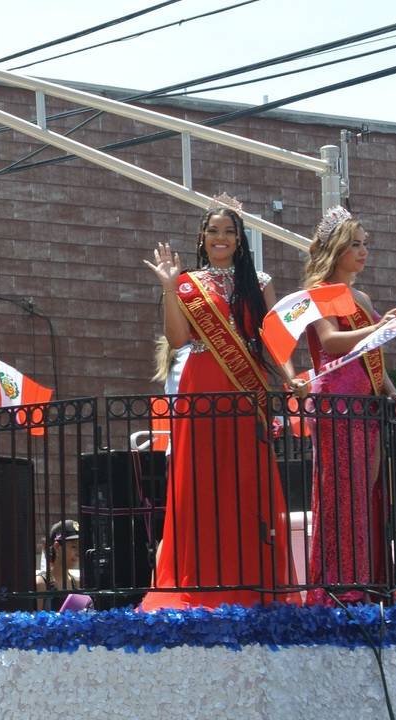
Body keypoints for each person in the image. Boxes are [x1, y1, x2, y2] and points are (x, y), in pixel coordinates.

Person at [140, 195, 302, 611]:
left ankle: (250, 581)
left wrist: (290, 378)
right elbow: (179, 339)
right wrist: (169, 286)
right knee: (199, 483)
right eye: (213, 231)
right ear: (202, 237)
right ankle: (198, 582)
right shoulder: (188, 283)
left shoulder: (259, 282)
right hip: (201, 387)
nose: (221, 238)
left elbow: (273, 339)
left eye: (229, 231)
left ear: (240, 239)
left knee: (246, 481)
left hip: (246, 390)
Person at [301, 206, 396, 604]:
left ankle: (361, 580)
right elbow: (331, 342)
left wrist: (391, 390)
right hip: (337, 404)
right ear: (335, 250)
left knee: (363, 495)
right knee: (340, 494)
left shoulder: (361, 297)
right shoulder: (319, 292)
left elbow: (372, 354)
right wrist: (378, 327)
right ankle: (336, 586)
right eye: (355, 245)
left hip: (366, 404)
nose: (363, 252)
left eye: (365, 244)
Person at [35, 519, 81, 610]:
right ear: (57, 547)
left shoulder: (77, 583)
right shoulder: (40, 584)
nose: (78, 553)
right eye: (74, 547)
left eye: (80, 547)